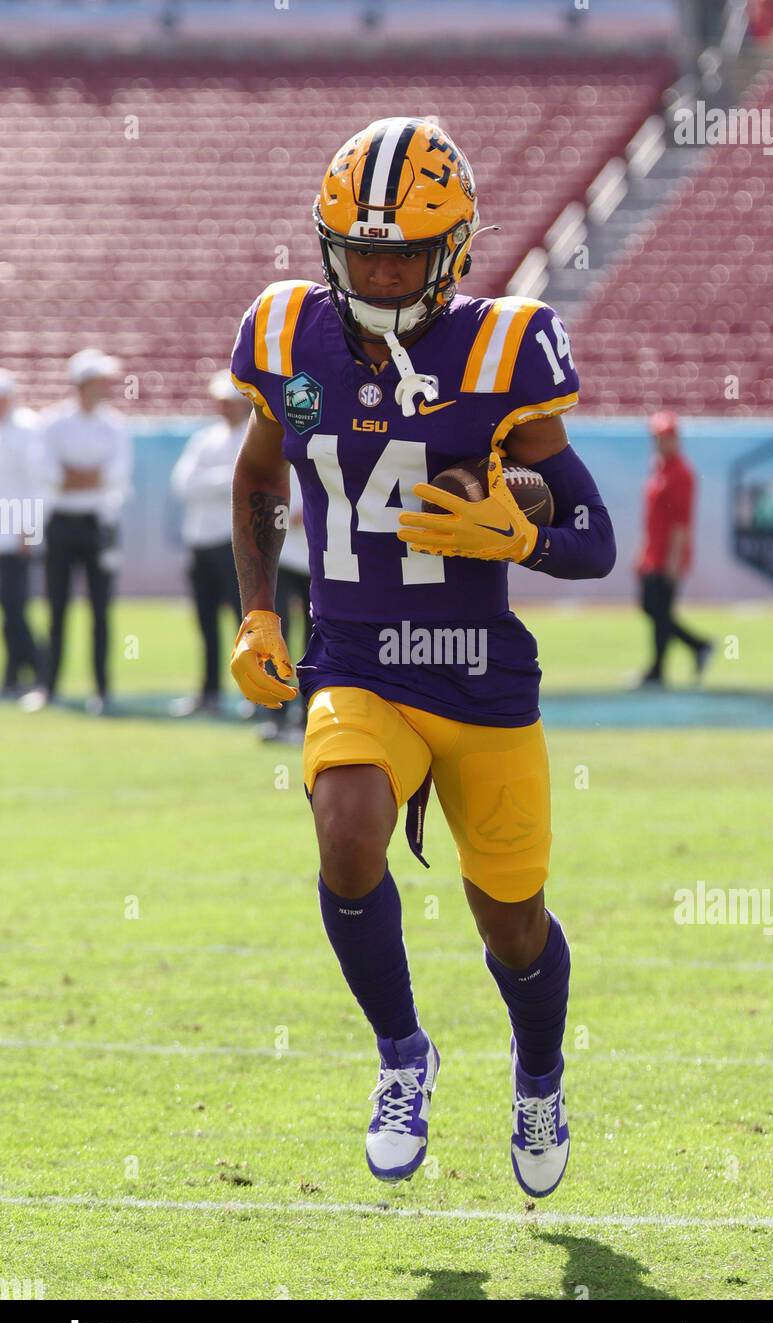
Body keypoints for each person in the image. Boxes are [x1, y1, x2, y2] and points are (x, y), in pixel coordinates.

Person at [228, 118, 615, 1197]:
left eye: (406, 253)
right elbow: (258, 479)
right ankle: (403, 1053)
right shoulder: (282, 333)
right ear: (327, 248)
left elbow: (593, 535)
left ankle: (536, 1069)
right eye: (364, 252)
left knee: (513, 923)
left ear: (455, 252)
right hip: (356, 657)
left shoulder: (503, 345)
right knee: (345, 828)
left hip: (479, 673)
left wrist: (522, 533)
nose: (384, 273)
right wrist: (260, 614)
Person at [22, 349, 133, 715]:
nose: (105, 386)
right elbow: (50, 475)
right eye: (99, 379)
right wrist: (88, 476)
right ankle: (48, 686)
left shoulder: (115, 424)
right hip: (62, 524)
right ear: (84, 383)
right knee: (57, 607)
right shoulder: (53, 423)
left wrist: (77, 476)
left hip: (96, 524)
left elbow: (116, 475)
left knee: (100, 611)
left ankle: (102, 689)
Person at [169, 371, 248, 716]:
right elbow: (183, 485)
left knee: (242, 624)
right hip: (200, 541)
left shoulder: (253, 436)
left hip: (233, 542)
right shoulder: (205, 439)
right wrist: (223, 482)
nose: (224, 408)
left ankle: (256, 694)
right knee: (206, 623)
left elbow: (244, 484)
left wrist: (213, 483)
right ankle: (209, 692)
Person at [635, 411, 712, 688]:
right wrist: (643, 551)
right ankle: (697, 646)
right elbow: (651, 518)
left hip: (668, 554)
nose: (659, 442)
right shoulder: (659, 469)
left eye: (664, 437)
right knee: (653, 608)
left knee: (660, 610)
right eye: (656, 438)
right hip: (653, 551)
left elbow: (681, 521)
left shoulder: (681, 473)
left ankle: (659, 669)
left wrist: (673, 560)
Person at [0, 370, 45, 696]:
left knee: (15, 607)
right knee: (10, 608)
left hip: (14, 531)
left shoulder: (26, 429)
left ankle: (37, 667)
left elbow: (33, 483)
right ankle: (18, 673)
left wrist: (29, 532)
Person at [258, 471, 310, 743]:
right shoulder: (282, 450)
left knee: (315, 640)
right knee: (277, 635)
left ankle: (308, 717)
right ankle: (276, 715)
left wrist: (310, 513)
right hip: (284, 555)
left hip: (320, 559)